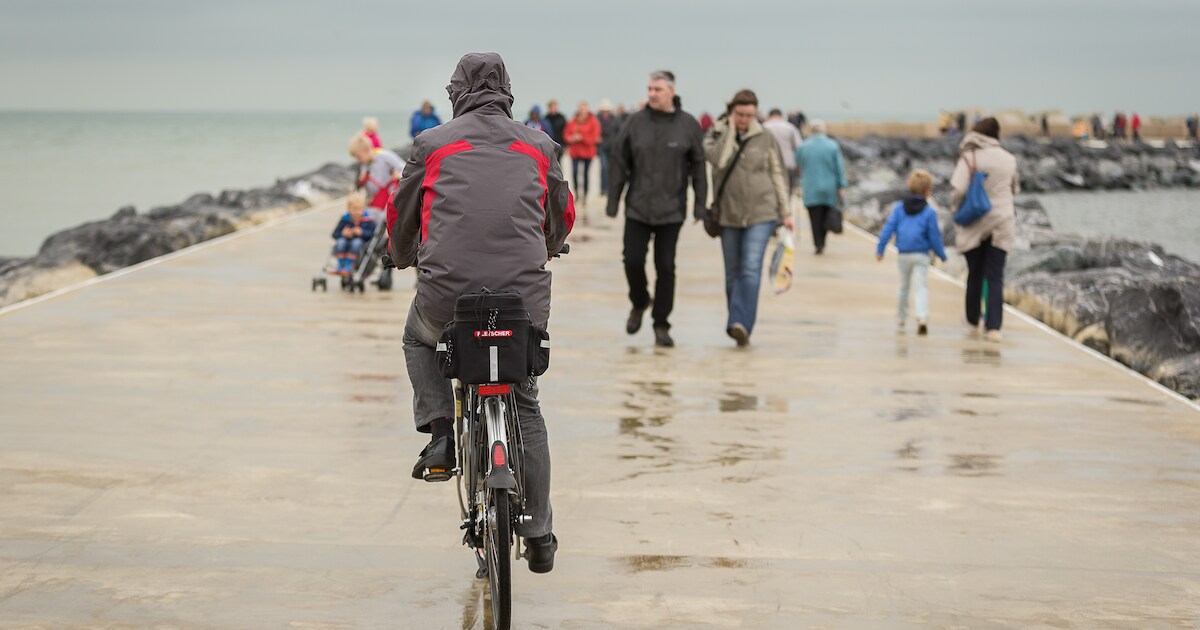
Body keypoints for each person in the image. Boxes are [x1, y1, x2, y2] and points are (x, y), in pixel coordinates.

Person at [387, 53, 574, 573]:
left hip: (448, 298)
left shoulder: (431, 144)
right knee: (526, 403)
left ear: (455, 93)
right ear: (508, 91)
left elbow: (402, 213)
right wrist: (551, 245)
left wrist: (402, 256)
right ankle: (538, 531)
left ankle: (442, 433)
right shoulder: (539, 145)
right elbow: (560, 213)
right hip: (521, 303)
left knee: (417, 339)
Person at [607, 70, 707, 348]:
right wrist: (613, 200)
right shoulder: (635, 122)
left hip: (671, 209)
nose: (652, 93)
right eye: (649, 88)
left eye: (658, 89)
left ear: (671, 92)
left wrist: (700, 204)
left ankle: (661, 324)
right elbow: (618, 159)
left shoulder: (688, 124)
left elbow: (699, 166)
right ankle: (640, 302)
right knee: (632, 260)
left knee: (665, 267)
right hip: (638, 206)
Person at [704, 90, 793, 347]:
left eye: (750, 115)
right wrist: (731, 131)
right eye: (740, 115)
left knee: (750, 268)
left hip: (761, 212)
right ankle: (737, 320)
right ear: (731, 112)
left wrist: (785, 212)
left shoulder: (765, 137)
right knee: (732, 273)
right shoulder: (716, 134)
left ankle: (741, 323)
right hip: (729, 213)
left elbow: (777, 174)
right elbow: (719, 161)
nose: (745, 120)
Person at [950, 117, 1019, 343]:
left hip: (975, 222)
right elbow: (1015, 189)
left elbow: (958, 189)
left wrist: (956, 211)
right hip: (1002, 220)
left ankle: (972, 320)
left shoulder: (970, 156)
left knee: (975, 274)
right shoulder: (1009, 159)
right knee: (996, 275)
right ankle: (994, 328)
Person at [875, 169, 947, 335]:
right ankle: (922, 317)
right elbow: (934, 235)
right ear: (928, 191)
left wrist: (880, 249)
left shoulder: (900, 208)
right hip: (921, 254)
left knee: (904, 286)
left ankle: (901, 317)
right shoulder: (929, 212)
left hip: (904, 253)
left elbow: (888, 228)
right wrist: (941, 254)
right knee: (921, 286)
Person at [795, 120, 847, 255]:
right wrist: (841, 185)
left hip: (811, 186)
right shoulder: (832, 145)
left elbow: (798, 164)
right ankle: (822, 241)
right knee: (826, 214)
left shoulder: (804, 145)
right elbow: (839, 167)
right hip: (829, 186)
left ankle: (818, 243)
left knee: (814, 216)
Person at [349, 134, 404, 219]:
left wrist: (398, 175)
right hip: (375, 201)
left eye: (358, 157)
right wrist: (360, 181)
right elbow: (359, 187)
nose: (358, 160)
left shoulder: (385, 156)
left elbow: (404, 168)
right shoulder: (364, 165)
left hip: (390, 197)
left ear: (366, 150)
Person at [563, 101, 601, 214]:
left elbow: (594, 137)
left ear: (587, 109)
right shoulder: (573, 120)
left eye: (584, 109)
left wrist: (581, 137)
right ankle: (577, 195)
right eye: (580, 109)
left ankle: (584, 195)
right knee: (574, 173)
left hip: (588, 152)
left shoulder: (593, 121)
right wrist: (571, 138)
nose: (582, 111)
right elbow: (566, 134)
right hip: (575, 152)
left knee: (585, 174)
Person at [331, 194, 376, 275]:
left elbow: (372, 235)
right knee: (340, 242)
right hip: (345, 241)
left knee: (356, 243)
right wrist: (343, 233)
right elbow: (335, 234)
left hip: (361, 244)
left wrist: (361, 232)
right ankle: (341, 265)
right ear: (348, 209)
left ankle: (349, 265)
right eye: (354, 209)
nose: (357, 212)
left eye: (360, 209)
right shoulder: (345, 220)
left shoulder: (368, 221)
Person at [762, 108, 803, 196]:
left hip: (768, 165)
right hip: (788, 164)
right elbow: (799, 147)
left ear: (769, 116)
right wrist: (799, 166)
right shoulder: (790, 127)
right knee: (787, 192)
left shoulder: (764, 127)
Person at [595, 99, 621, 196]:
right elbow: (595, 131)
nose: (606, 112)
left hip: (612, 146)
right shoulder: (597, 119)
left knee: (611, 168)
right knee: (604, 167)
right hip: (602, 147)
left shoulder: (615, 119)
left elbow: (620, 131)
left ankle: (610, 188)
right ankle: (603, 188)